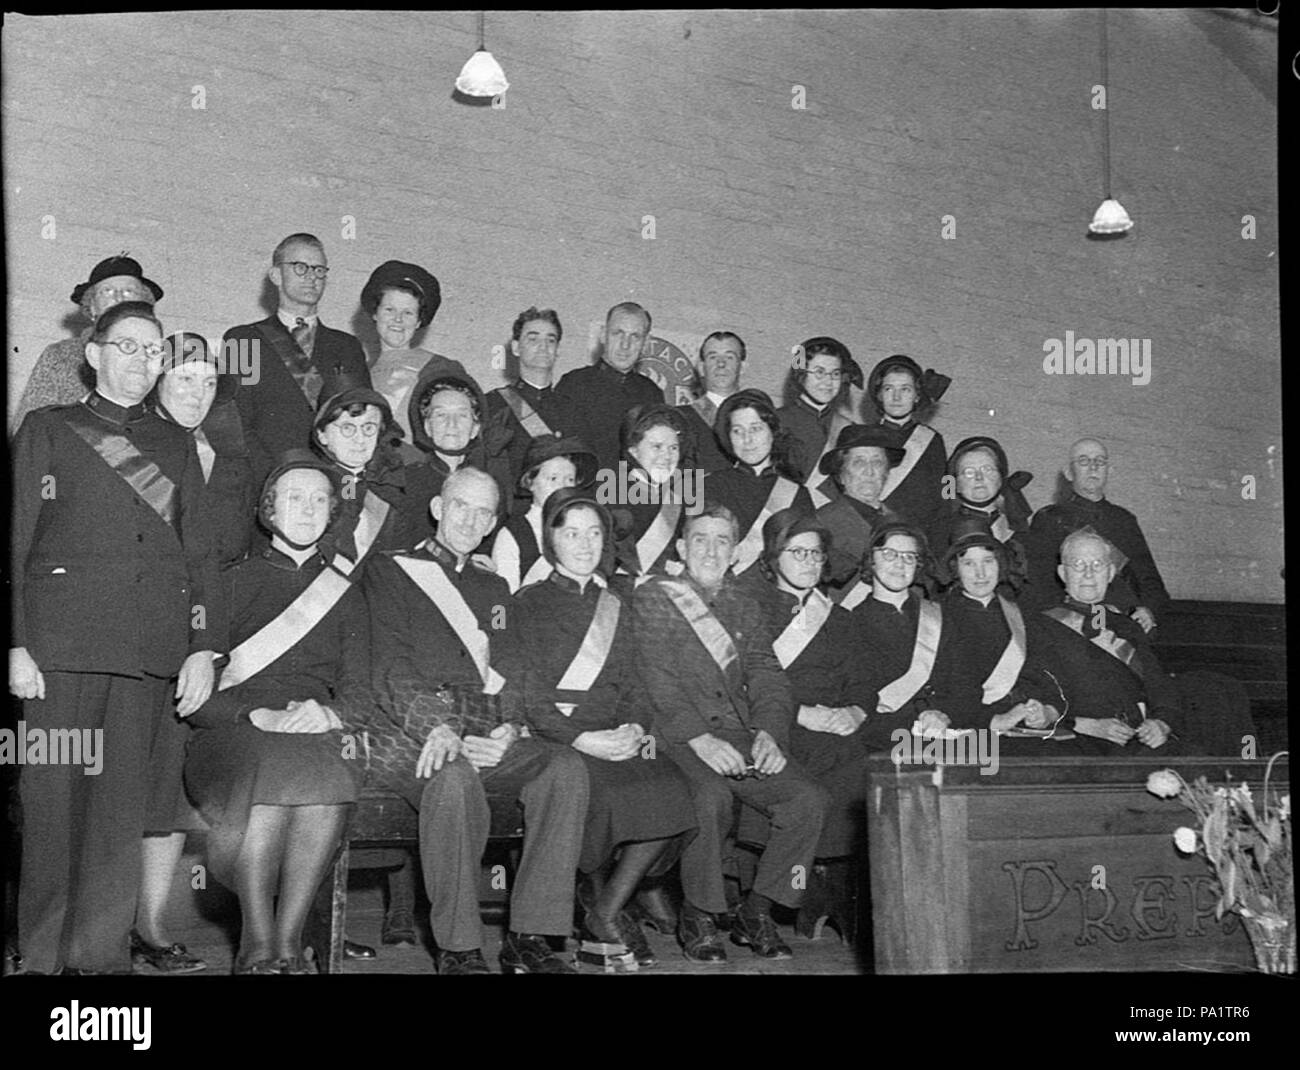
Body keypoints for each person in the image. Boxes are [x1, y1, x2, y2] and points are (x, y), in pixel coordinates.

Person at [9, 301, 224, 975]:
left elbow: (201, 557)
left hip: (144, 657)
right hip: (60, 652)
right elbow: (16, 542)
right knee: (51, 808)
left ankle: (99, 961)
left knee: (116, 817)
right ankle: (43, 958)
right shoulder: (50, 430)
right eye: (126, 347)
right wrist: (15, 643)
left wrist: (201, 647)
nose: (140, 361)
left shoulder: (176, 444)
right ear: (95, 355)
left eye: (153, 351)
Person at [334, 467, 589, 974]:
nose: (470, 520)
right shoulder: (390, 572)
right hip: (403, 729)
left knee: (563, 768)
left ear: (494, 521)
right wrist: (437, 726)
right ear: (437, 507)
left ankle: (529, 936)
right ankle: (459, 946)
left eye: (483, 512)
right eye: (460, 506)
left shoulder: (492, 586)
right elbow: (389, 666)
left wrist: (508, 727)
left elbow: (511, 663)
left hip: (480, 723)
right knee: (452, 778)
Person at [184, 451, 365, 974]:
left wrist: (331, 715)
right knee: (267, 766)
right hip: (233, 733)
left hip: (313, 730)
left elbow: (362, 687)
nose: (307, 509)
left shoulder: (347, 593)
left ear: (333, 512)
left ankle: (288, 945)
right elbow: (199, 698)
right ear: (269, 508)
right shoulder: (227, 582)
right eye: (294, 497)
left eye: (319, 500)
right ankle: (256, 945)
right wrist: (252, 717)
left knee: (327, 768)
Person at [506, 487, 696, 967]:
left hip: (616, 735)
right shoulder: (526, 603)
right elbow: (523, 694)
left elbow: (636, 681)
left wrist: (634, 728)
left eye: (594, 533)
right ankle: (604, 912)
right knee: (608, 793)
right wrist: (579, 738)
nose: (585, 544)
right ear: (551, 540)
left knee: (676, 785)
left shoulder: (619, 602)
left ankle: (606, 908)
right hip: (560, 740)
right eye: (572, 533)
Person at [632, 503, 828, 963]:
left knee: (807, 801)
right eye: (701, 538)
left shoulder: (747, 604)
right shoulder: (654, 597)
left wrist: (770, 734)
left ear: (736, 551)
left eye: (723, 540)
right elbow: (654, 678)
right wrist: (699, 739)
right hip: (676, 736)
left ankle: (755, 911)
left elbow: (767, 675)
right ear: (681, 547)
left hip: (739, 735)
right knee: (710, 798)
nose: (711, 549)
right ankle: (699, 914)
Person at [735, 508, 874, 940]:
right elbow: (735, 686)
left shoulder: (840, 618)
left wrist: (854, 712)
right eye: (798, 552)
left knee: (864, 775)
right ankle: (777, 899)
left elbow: (865, 684)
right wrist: (801, 713)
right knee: (801, 788)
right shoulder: (746, 611)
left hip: (832, 733)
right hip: (772, 728)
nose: (810, 562)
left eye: (816, 554)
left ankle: (825, 894)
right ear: (774, 557)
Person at [225, 233, 370, 485]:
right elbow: (237, 421)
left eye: (319, 270)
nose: (312, 277)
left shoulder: (348, 346)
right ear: (276, 276)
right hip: (268, 481)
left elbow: (364, 422)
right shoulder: (244, 340)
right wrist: (276, 478)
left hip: (334, 483)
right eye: (300, 267)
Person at [1025, 527, 1186, 754]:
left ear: (1110, 573)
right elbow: (1035, 696)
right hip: (1078, 741)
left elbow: (1158, 685)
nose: (1089, 574)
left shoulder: (1128, 626)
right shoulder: (1040, 625)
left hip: (1139, 740)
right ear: (1062, 573)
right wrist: (1086, 725)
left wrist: (1162, 723)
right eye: (1078, 565)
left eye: (1097, 565)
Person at [928, 516, 1061, 737]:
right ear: (955, 569)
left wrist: (1047, 710)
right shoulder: (939, 617)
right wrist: (993, 720)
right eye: (969, 563)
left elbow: (1049, 676)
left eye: (988, 561)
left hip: (1027, 729)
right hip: (969, 731)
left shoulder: (1022, 615)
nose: (980, 574)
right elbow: (944, 691)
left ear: (1000, 564)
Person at [1022, 437, 1171, 630]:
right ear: (1069, 473)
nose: (1093, 467)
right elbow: (1041, 583)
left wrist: (1149, 610)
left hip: (1122, 623)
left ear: (1109, 471)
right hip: (1071, 623)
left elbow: (1148, 579)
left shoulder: (1124, 520)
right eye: (1084, 461)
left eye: (1099, 461)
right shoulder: (1050, 519)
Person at [10, 254, 163, 434]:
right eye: (107, 291)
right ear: (91, 307)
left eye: (129, 291)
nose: (120, 297)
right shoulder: (61, 355)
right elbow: (28, 431)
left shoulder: (160, 358)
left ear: (144, 304)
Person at [150, 332, 256, 568]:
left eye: (210, 383)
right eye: (186, 379)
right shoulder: (127, 451)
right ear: (157, 384)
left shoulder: (230, 459)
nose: (199, 394)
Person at [845, 521, 952, 749]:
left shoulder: (940, 615)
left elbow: (960, 680)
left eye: (909, 557)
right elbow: (860, 694)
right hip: (884, 737)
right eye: (890, 554)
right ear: (871, 560)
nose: (900, 564)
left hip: (947, 728)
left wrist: (943, 713)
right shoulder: (850, 624)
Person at [359, 260, 466, 464]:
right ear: (375, 313)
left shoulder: (441, 369)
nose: (397, 320)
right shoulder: (359, 373)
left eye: (408, 313)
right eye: (389, 310)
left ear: (418, 321)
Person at [702, 388, 811, 576]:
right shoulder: (708, 486)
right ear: (728, 438)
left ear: (773, 431)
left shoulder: (795, 494)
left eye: (756, 428)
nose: (747, 440)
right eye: (737, 431)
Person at [310, 385, 419, 570]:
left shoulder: (391, 486)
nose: (360, 439)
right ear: (322, 436)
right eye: (347, 428)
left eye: (369, 427)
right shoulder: (310, 486)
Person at [401, 367, 513, 542]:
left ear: (475, 428)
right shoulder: (406, 481)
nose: (451, 424)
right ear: (427, 427)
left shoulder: (491, 482)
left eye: (461, 415)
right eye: (441, 415)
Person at [554, 301, 662, 473]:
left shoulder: (652, 393)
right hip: (589, 495)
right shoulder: (575, 384)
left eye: (635, 336)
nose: (625, 345)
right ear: (603, 335)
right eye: (618, 333)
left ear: (646, 343)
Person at [486, 307, 581, 495]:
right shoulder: (493, 404)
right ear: (515, 347)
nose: (543, 346)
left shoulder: (573, 410)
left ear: (557, 350)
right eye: (533, 339)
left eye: (550, 340)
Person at [490, 436, 598, 592]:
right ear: (530, 482)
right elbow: (503, 602)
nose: (561, 487)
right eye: (553, 478)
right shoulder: (513, 535)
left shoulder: (589, 530)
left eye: (569, 479)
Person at [609, 404, 695, 587]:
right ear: (633, 451)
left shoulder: (683, 501)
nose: (667, 456)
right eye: (657, 447)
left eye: (673, 448)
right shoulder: (611, 497)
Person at [866, 354, 952, 535]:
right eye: (889, 389)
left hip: (917, 533)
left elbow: (944, 495)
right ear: (879, 395)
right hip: (870, 531)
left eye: (905, 389)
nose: (896, 397)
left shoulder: (932, 440)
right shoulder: (863, 436)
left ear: (916, 396)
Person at [813, 424, 905, 593]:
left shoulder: (901, 523)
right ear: (841, 474)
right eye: (859, 462)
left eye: (877, 462)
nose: (869, 471)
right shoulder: (822, 521)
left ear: (886, 473)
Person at [928, 435, 1033, 580]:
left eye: (987, 469)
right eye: (969, 472)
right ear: (956, 484)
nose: (979, 477)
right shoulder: (942, 531)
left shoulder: (1015, 526)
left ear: (1001, 478)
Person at [777, 336, 864, 505]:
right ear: (801, 375)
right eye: (819, 372)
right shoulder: (777, 421)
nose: (828, 381)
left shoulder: (849, 429)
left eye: (835, 374)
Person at [676, 331, 746, 475]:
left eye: (730, 357)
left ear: (743, 367)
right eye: (713, 357)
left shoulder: (760, 420)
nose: (721, 364)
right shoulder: (678, 418)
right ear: (701, 368)